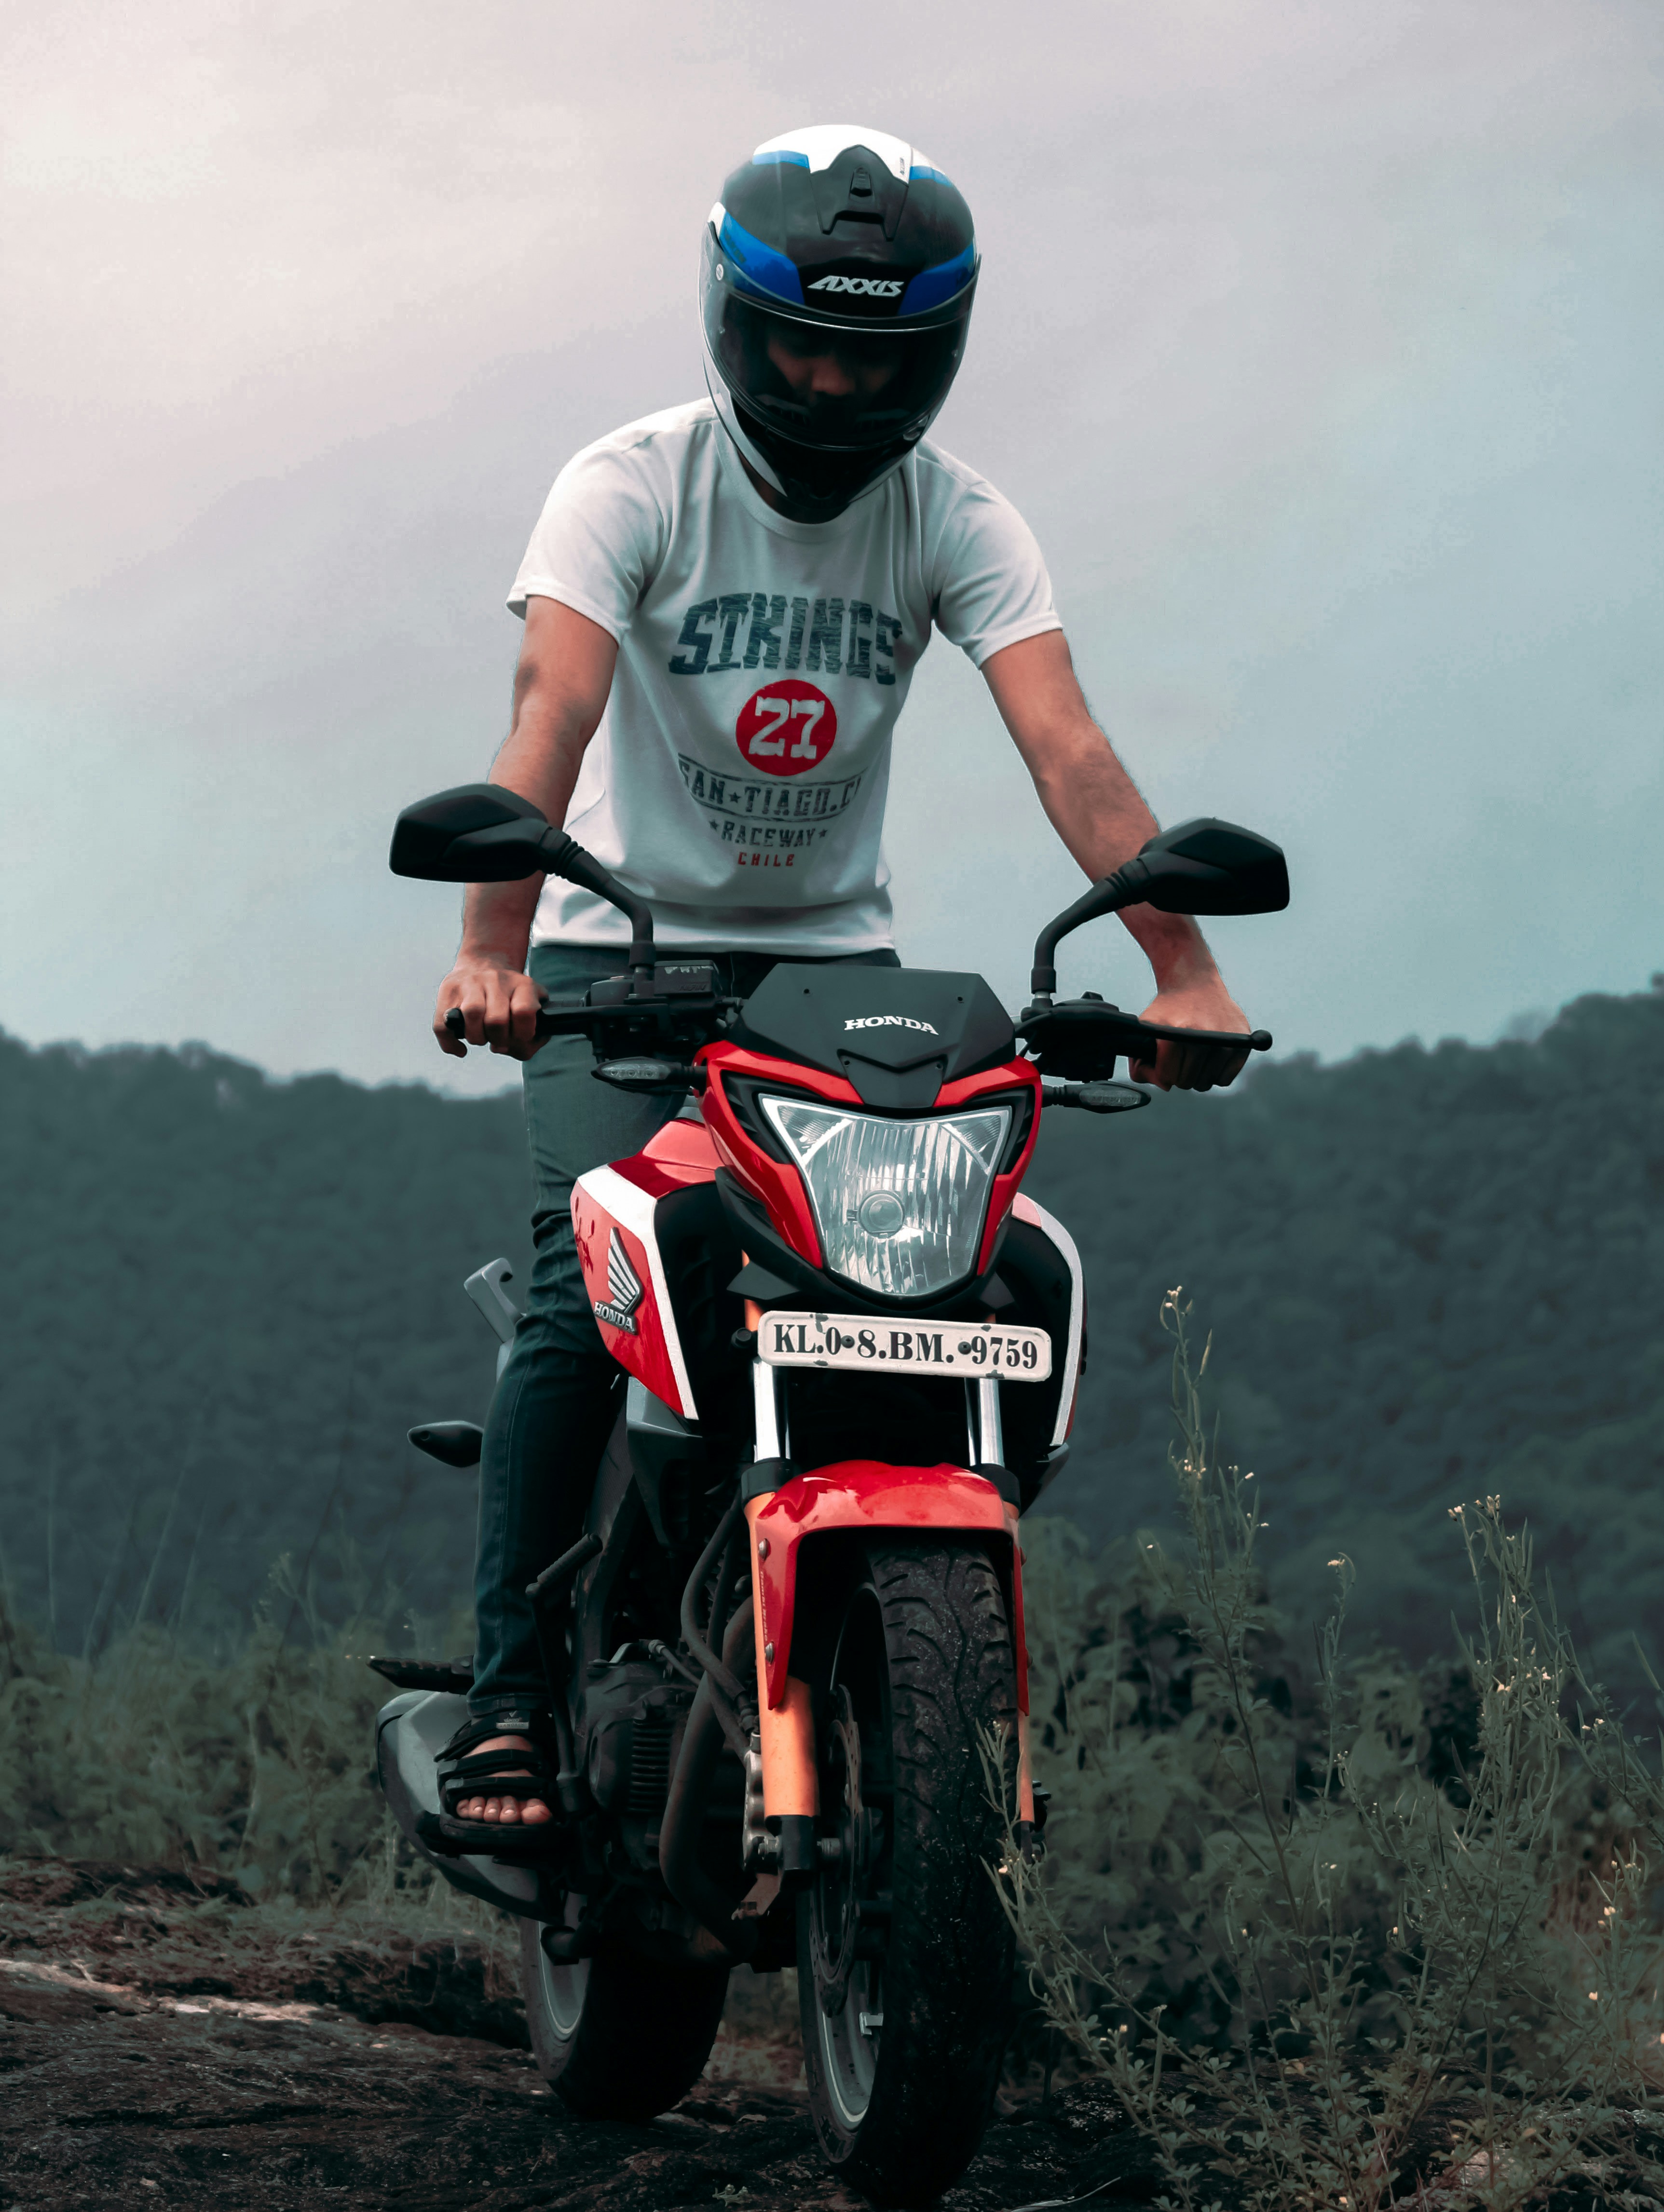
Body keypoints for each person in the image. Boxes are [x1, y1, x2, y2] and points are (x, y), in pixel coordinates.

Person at [427, 125, 1254, 1836]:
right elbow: (546, 717)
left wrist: (1183, 972)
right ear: (734, 321)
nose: (828, 379)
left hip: (829, 968)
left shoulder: (953, 514)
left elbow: (1068, 747)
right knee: (584, 1296)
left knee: (925, 1291)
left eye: (872, 352)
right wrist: (493, 951)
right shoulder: (632, 483)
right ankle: (509, 1698)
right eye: (801, 338)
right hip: (614, 956)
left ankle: (900, 1669)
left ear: (934, 353)